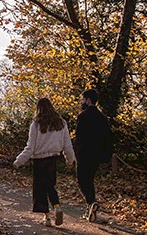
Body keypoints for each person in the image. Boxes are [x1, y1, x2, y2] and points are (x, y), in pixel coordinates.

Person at [13, 97, 76, 226]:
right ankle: (57, 206)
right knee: (50, 185)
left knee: (40, 188)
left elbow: (30, 147)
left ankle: (47, 217)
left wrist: (18, 162)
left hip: (39, 160)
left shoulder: (36, 124)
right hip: (53, 159)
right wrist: (70, 160)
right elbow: (67, 144)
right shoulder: (61, 123)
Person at [73, 88, 111, 222]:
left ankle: (91, 202)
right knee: (89, 180)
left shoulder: (83, 116)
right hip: (96, 155)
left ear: (88, 100)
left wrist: (74, 152)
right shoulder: (103, 118)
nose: (81, 102)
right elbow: (107, 138)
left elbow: (78, 136)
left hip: (84, 153)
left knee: (81, 180)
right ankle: (90, 209)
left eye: (82, 99)